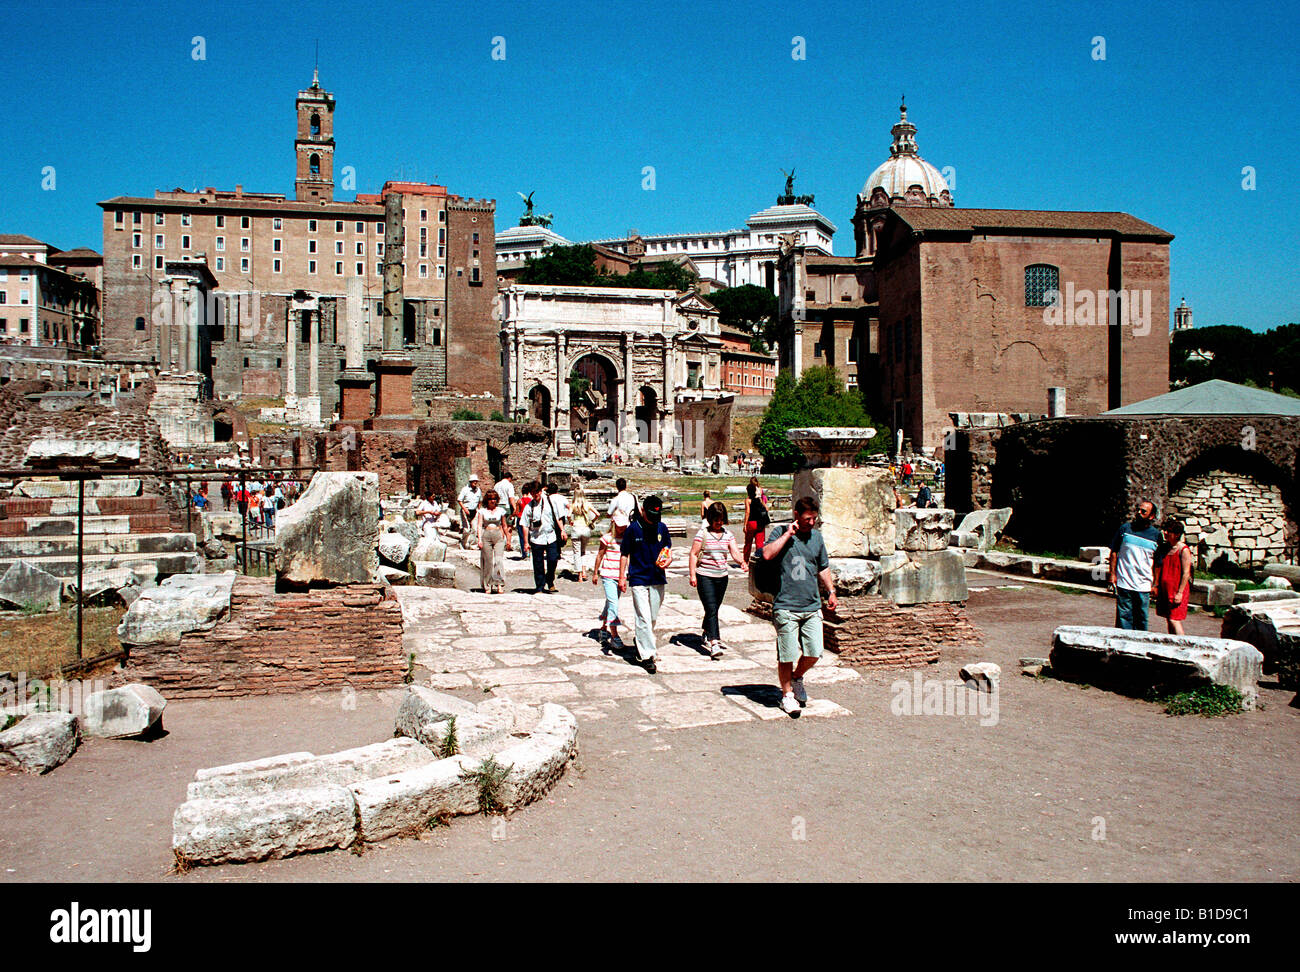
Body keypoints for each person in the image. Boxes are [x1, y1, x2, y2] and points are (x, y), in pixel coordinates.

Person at [762, 496, 836, 718]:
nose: (811, 523)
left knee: (814, 651)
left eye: (814, 519)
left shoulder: (817, 538)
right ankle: (787, 696)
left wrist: (831, 591)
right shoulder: (780, 532)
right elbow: (767, 554)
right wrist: (788, 535)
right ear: (796, 515)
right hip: (786, 605)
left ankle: (796, 677)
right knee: (787, 653)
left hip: (811, 604)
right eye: (807, 519)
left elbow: (823, 566)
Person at [619, 494, 671, 674]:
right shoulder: (633, 529)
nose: (653, 520)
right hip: (638, 578)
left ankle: (641, 641)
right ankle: (646, 655)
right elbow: (624, 554)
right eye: (650, 515)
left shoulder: (662, 528)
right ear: (642, 511)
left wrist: (668, 560)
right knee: (643, 617)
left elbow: (667, 549)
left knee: (652, 617)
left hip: (657, 578)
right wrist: (621, 577)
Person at [689, 501, 747, 658]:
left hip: (722, 577)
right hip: (704, 576)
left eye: (721, 519)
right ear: (710, 519)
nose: (719, 523)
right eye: (716, 520)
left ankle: (707, 631)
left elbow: (734, 552)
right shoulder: (703, 534)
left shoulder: (728, 535)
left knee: (712, 609)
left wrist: (742, 562)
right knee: (712, 608)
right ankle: (714, 643)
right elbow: (694, 554)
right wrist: (693, 574)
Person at [1107, 499, 1161, 630]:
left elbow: (1158, 563)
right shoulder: (1125, 529)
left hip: (1143, 584)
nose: (1138, 513)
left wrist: (1155, 584)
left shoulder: (1156, 536)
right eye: (1138, 510)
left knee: (1141, 619)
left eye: (1143, 511)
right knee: (1123, 619)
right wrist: (1112, 574)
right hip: (1124, 582)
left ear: (1151, 516)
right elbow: (1114, 552)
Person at [593, 511, 629, 644]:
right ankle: (614, 635)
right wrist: (595, 572)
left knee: (610, 602)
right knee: (614, 602)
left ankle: (603, 627)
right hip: (607, 575)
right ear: (614, 524)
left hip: (619, 576)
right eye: (620, 526)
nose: (622, 528)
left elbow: (628, 557)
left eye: (624, 526)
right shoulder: (607, 538)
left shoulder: (627, 539)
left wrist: (627, 573)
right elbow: (600, 555)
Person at [1154, 518, 1194, 634]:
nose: (1166, 533)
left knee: (1174, 619)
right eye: (1165, 530)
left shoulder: (1183, 550)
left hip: (1177, 589)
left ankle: (1182, 643)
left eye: (1169, 531)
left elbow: (1186, 573)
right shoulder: (1165, 548)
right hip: (1166, 588)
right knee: (1168, 618)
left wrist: (1180, 593)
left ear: (1176, 534)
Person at [521, 480, 562, 593]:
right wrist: (525, 542)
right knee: (538, 563)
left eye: (537, 492)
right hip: (536, 537)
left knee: (553, 559)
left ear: (540, 491)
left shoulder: (550, 502)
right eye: (533, 493)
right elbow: (524, 525)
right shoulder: (529, 507)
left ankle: (550, 579)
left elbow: (558, 517)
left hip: (550, 536)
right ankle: (539, 586)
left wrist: (562, 530)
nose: (536, 495)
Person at [475, 489, 510, 594]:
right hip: (487, 535)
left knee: (498, 560)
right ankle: (488, 584)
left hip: (498, 535)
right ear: (487, 500)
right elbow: (479, 525)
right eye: (490, 499)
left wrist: (508, 539)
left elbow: (504, 525)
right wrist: (479, 539)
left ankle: (499, 584)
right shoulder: (482, 511)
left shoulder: (500, 511)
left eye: (494, 499)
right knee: (488, 562)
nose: (492, 501)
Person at [569, 486, 599, 582]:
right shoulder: (587, 504)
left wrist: (571, 521)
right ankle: (584, 571)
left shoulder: (573, 505)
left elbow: (568, 515)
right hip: (586, 529)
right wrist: (592, 521)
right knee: (583, 551)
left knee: (576, 552)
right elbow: (597, 514)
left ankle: (579, 575)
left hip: (576, 529)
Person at [742, 480, 770, 563]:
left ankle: (745, 560)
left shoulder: (748, 500)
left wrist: (744, 525)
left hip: (751, 522)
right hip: (760, 522)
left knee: (748, 542)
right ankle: (760, 559)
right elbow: (766, 508)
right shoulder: (759, 500)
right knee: (760, 543)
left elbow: (747, 512)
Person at [457, 474, 483, 549]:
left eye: (476, 481)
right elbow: (459, 500)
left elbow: (480, 500)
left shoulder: (478, 490)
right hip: (466, 510)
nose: (475, 482)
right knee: (466, 529)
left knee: (474, 528)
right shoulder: (465, 489)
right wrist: (465, 509)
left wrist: (478, 509)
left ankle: (472, 544)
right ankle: (464, 543)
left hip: (474, 510)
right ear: (470, 482)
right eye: (473, 481)